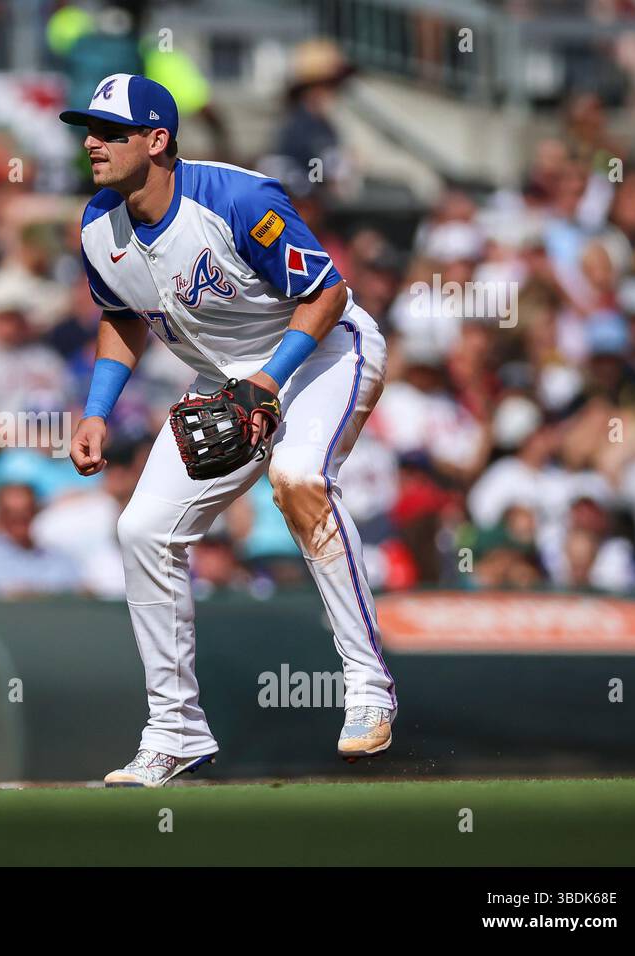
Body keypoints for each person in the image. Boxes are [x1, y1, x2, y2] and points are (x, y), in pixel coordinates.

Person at [62, 74, 396, 787]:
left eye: (109, 131)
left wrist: (269, 384)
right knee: (141, 530)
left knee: (298, 478)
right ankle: (174, 730)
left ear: (156, 141)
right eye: (88, 128)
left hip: (322, 350)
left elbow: (327, 290)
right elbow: (122, 317)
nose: (91, 142)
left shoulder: (237, 198)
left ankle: (367, 686)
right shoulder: (98, 223)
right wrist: (96, 408)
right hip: (224, 379)